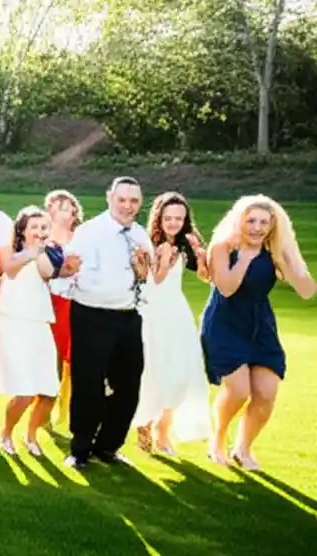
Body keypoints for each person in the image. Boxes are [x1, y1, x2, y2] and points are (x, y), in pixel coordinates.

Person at [202, 195, 314, 470]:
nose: (256, 227)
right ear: (239, 221)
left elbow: (307, 291)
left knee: (266, 393)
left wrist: (287, 258)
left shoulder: (273, 250)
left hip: (260, 326)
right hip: (225, 323)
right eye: (251, 220)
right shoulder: (222, 248)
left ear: (272, 225)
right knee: (239, 391)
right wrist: (245, 259)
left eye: (264, 222)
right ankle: (217, 441)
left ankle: (243, 447)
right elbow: (226, 288)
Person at [61, 176, 153, 470]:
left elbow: (144, 280)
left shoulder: (139, 234)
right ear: (109, 197)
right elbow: (71, 271)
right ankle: (80, 449)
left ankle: (109, 446)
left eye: (134, 201)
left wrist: (142, 272)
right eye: (122, 199)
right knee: (89, 384)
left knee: (128, 385)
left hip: (128, 316)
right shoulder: (90, 232)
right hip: (92, 314)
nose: (128, 206)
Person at [132, 192, 211, 456]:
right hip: (151, 314)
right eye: (168, 218)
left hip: (177, 314)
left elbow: (205, 276)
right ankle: (146, 422)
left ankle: (162, 429)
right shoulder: (147, 242)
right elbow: (155, 279)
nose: (174, 223)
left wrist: (200, 255)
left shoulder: (186, 243)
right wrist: (165, 257)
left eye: (179, 218)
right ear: (159, 218)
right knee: (154, 372)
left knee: (180, 375)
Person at [0, 207, 60, 457]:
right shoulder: (7, 249)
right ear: (22, 230)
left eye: (44, 227)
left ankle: (31, 435)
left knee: (49, 389)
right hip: (12, 321)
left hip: (39, 321)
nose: (40, 232)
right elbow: (11, 270)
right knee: (25, 390)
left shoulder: (48, 252)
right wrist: (31, 252)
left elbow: (48, 273)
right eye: (35, 228)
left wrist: (41, 251)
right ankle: (7, 433)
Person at [44, 190, 84, 428]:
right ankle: (46, 409)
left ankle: (69, 410)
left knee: (76, 356)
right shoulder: (43, 238)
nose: (64, 212)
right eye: (58, 207)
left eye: (68, 208)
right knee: (53, 355)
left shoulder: (82, 237)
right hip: (51, 301)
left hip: (77, 301)